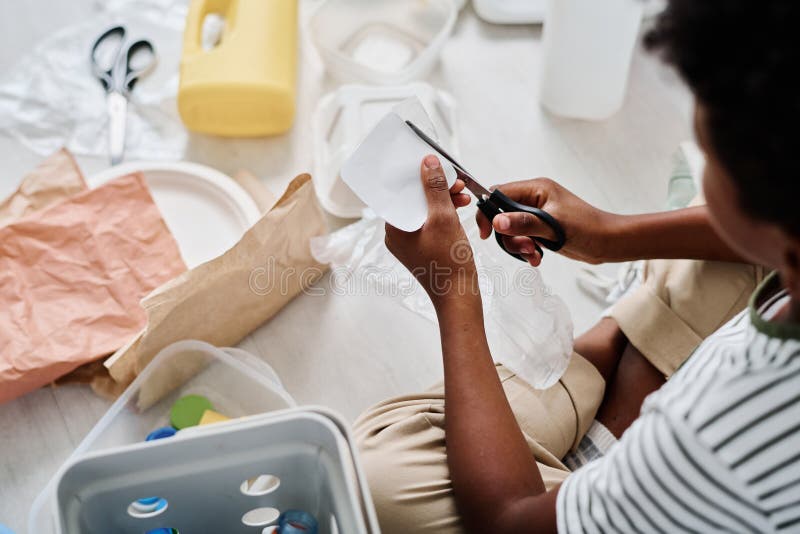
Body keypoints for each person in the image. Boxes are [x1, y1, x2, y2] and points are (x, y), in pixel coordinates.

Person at [353, 1, 800, 532]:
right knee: (710, 261)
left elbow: (506, 521)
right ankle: (619, 355)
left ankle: (608, 419)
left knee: (380, 482)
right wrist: (608, 237)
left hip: (688, 472)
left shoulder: (719, 433)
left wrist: (455, 294)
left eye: (712, 157)